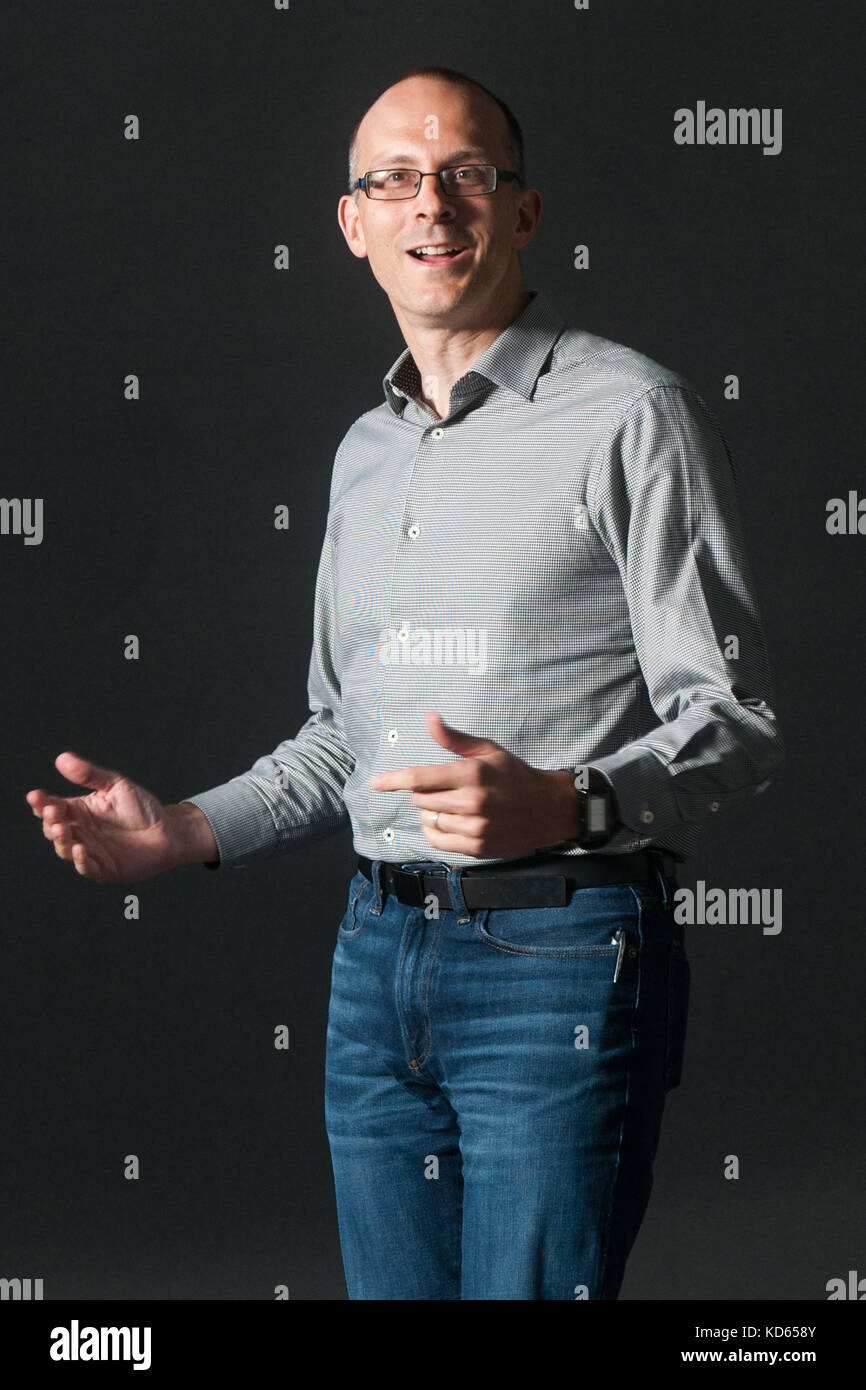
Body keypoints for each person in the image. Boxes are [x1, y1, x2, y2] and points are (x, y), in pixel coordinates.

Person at [25, 66, 783, 1300]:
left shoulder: (630, 415)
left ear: (522, 213)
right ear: (353, 223)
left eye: (467, 173)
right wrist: (182, 831)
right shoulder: (364, 454)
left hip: (561, 957)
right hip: (377, 960)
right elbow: (343, 737)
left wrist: (569, 801)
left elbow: (738, 724)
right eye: (394, 178)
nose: (431, 202)